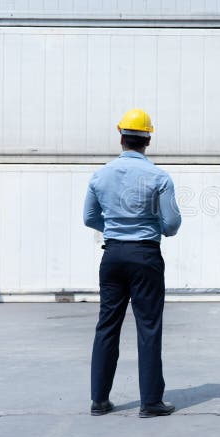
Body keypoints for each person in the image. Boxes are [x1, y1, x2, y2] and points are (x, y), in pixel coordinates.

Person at [83, 108, 182, 418]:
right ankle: (150, 402)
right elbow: (172, 223)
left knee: (107, 325)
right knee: (148, 327)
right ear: (148, 140)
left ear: (121, 137)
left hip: (112, 256)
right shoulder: (159, 177)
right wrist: (155, 227)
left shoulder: (100, 175)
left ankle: (99, 400)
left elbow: (89, 218)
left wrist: (114, 225)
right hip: (145, 256)